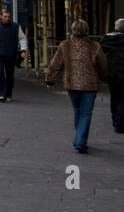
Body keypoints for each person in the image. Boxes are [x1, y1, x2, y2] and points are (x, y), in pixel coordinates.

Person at [45, 20, 109, 153]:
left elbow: (55, 64)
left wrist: (50, 80)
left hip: (72, 84)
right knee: (86, 113)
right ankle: (80, 140)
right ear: (87, 30)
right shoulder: (94, 46)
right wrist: (105, 78)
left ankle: (80, 137)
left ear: (72, 31)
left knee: (78, 111)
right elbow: (103, 65)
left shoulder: (65, 45)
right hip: (90, 85)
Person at [0, 9, 28, 102]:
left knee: (9, 75)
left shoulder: (15, 27)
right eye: (5, 16)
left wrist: (23, 49)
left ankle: (8, 93)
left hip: (11, 54)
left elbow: (22, 38)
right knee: (0, 73)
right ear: (1, 17)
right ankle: (1, 94)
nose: (7, 18)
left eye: (8, 17)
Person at [100, 18, 124, 134]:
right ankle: (120, 123)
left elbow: (100, 56)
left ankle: (115, 119)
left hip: (111, 73)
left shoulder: (106, 40)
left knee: (114, 97)